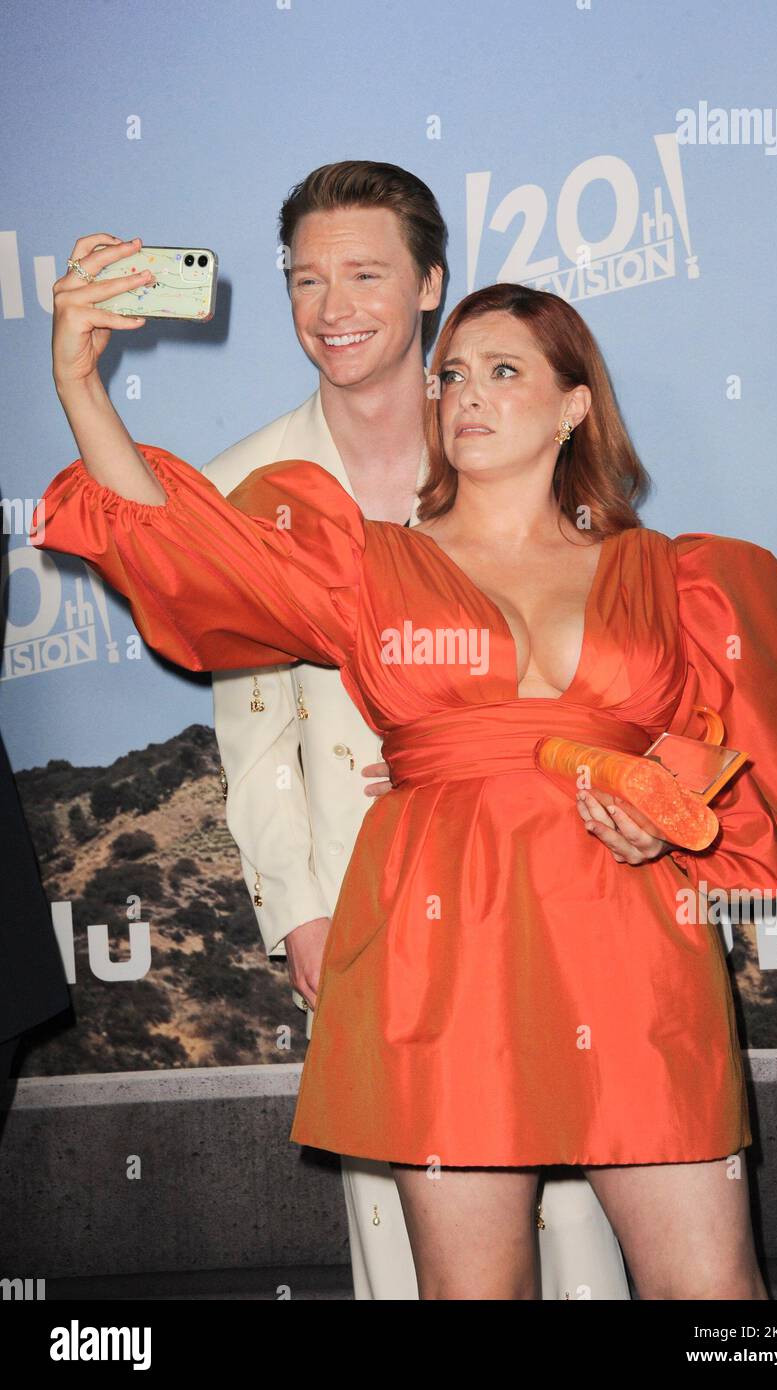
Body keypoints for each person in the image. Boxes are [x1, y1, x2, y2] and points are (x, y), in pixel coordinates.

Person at [33, 252, 777, 1300]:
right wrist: (81, 386)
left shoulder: (676, 575)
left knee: (718, 1299)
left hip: (634, 947)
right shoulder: (362, 562)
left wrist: (667, 818)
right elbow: (185, 550)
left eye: (504, 371)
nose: (465, 395)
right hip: (440, 950)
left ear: (573, 406)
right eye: (451, 374)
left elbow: (721, 761)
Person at [201, 162, 627, 1300]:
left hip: (555, 894)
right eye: (304, 279)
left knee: (583, 1224)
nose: (331, 306)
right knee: (414, 1245)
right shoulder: (247, 483)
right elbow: (255, 728)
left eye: (364, 273)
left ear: (430, 282)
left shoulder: (510, 436)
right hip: (371, 902)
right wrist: (296, 903)